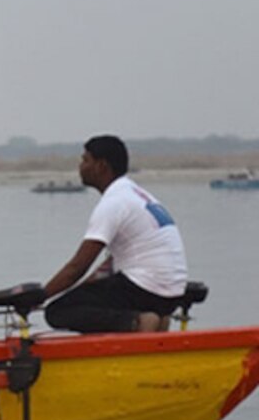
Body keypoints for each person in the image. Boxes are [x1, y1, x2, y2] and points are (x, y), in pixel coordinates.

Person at [42, 135, 187, 333]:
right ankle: (156, 320)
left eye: (85, 160)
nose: (80, 167)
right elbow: (111, 263)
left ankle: (138, 323)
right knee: (85, 299)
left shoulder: (113, 202)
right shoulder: (136, 193)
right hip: (171, 292)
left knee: (58, 311)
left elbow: (77, 267)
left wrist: (40, 296)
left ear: (101, 166)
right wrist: (83, 289)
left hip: (146, 288)